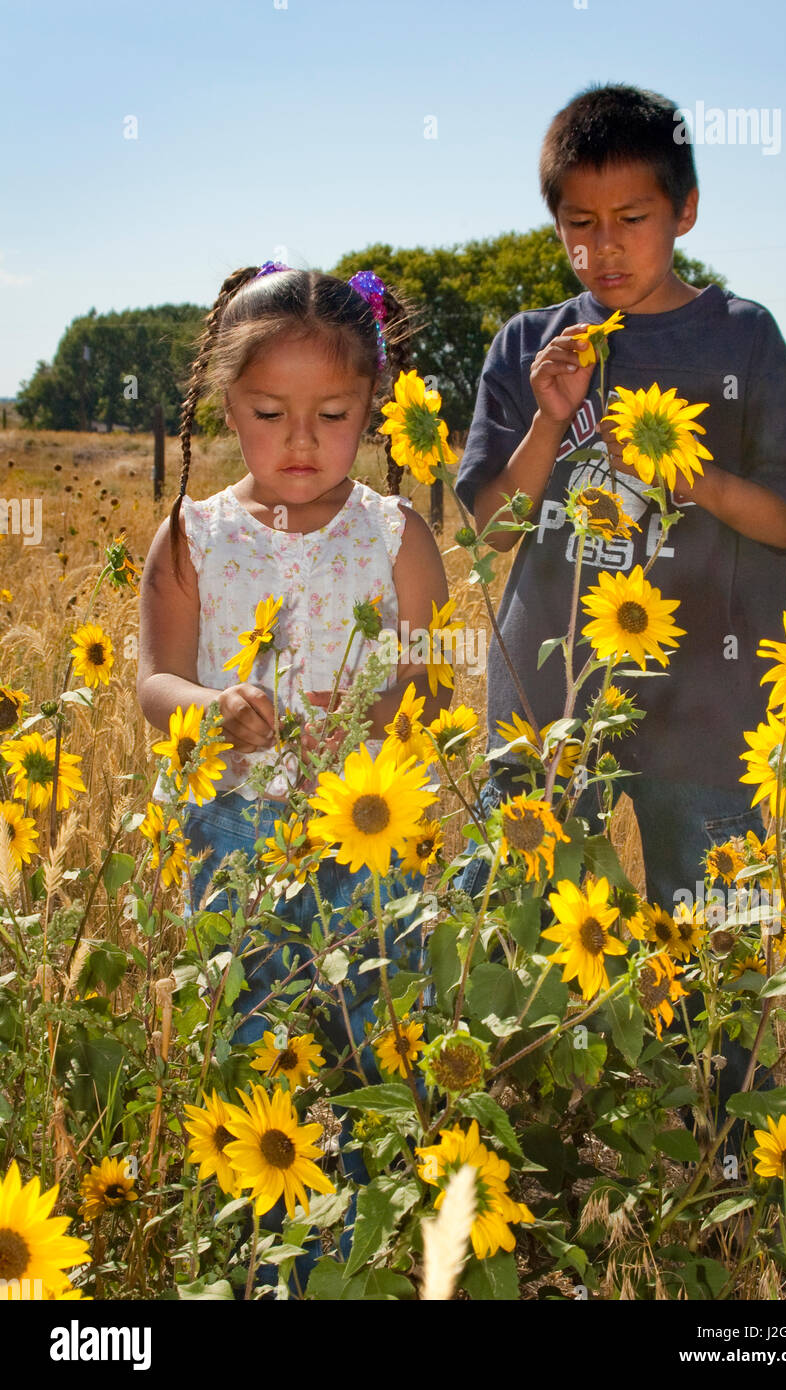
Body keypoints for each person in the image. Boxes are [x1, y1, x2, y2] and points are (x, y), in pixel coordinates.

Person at [454, 84, 786, 1137]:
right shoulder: (532, 348)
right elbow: (484, 529)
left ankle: (723, 1159)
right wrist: (548, 423)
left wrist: (693, 474)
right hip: (546, 708)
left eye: (632, 220)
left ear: (687, 211)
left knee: (716, 964)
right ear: (556, 227)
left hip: (709, 718)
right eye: (580, 225)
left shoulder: (745, 341)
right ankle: (531, 1147)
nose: (605, 248)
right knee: (516, 938)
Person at [136, 263, 449, 1283]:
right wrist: (212, 710)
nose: (304, 442)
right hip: (234, 835)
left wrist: (385, 711)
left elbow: (440, 680)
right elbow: (153, 684)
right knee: (256, 1040)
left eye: (336, 414)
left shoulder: (400, 535)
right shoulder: (191, 539)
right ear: (228, 402)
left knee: (374, 1040)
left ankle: (369, 1240)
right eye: (271, 413)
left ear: (375, 409)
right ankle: (270, 1248)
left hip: (372, 838)